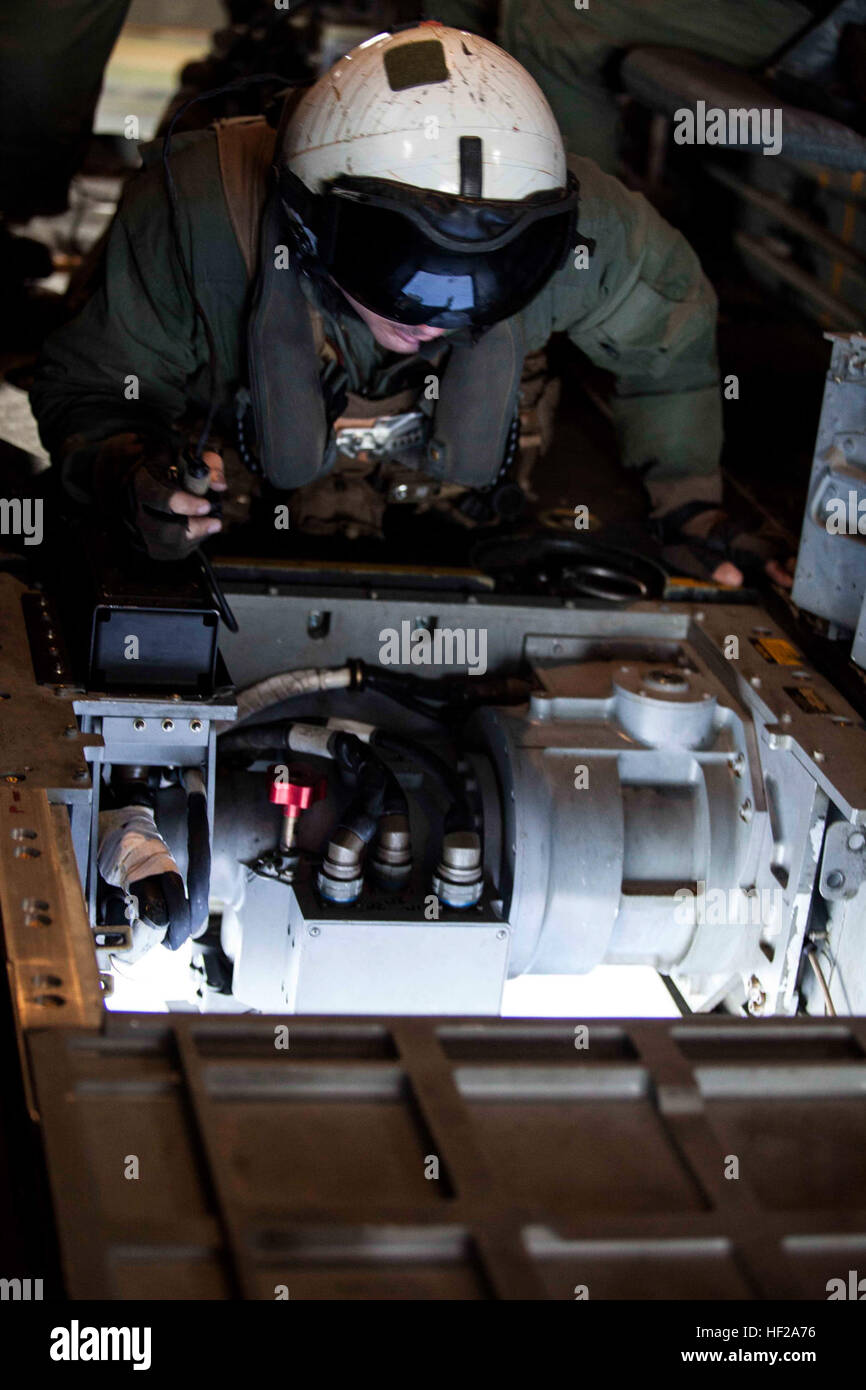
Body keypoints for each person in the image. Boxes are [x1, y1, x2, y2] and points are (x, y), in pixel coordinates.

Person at [31, 22, 771, 585]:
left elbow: (669, 339)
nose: (437, 315)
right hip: (230, 539)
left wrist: (689, 505)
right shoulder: (194, 219)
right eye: (408, 263)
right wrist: (126, 473)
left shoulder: (589, 233)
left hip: (466, 546)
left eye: (491, 268)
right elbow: (91, 387)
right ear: (308, 220)